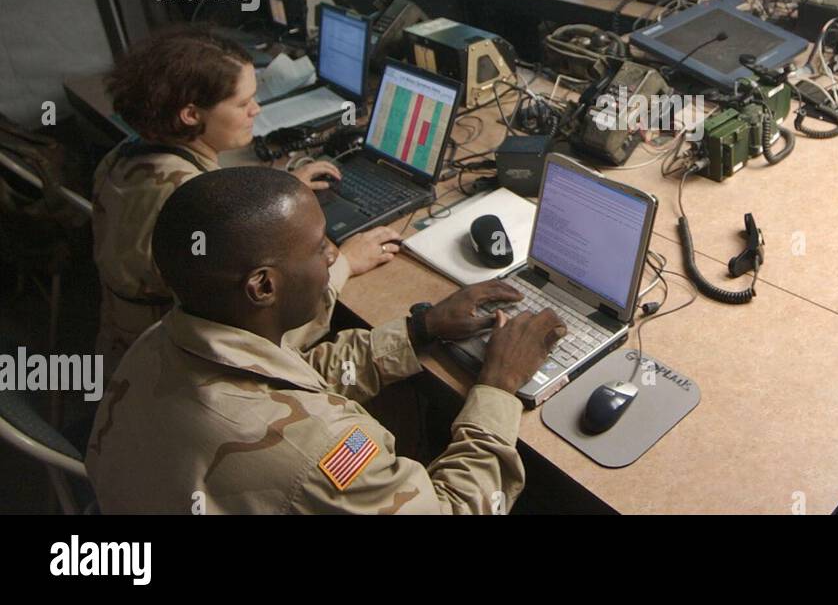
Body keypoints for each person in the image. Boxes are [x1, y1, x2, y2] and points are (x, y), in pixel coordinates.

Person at [85, 167, 565, 514]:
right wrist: (499, 387)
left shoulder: (161, 339)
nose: (335, 253)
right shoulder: (312, 453)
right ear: (264, 287)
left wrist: (421, 329)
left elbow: (287, 387)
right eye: (319, 248)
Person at [92, 28, 395, 375]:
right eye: (242, 103)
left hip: (122, 351)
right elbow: (261, 339)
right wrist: (346, 263)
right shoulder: (197, 207)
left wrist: (271, 194)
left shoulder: (122, 156)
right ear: (191, 114)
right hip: (184, 376)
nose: (256, 109)